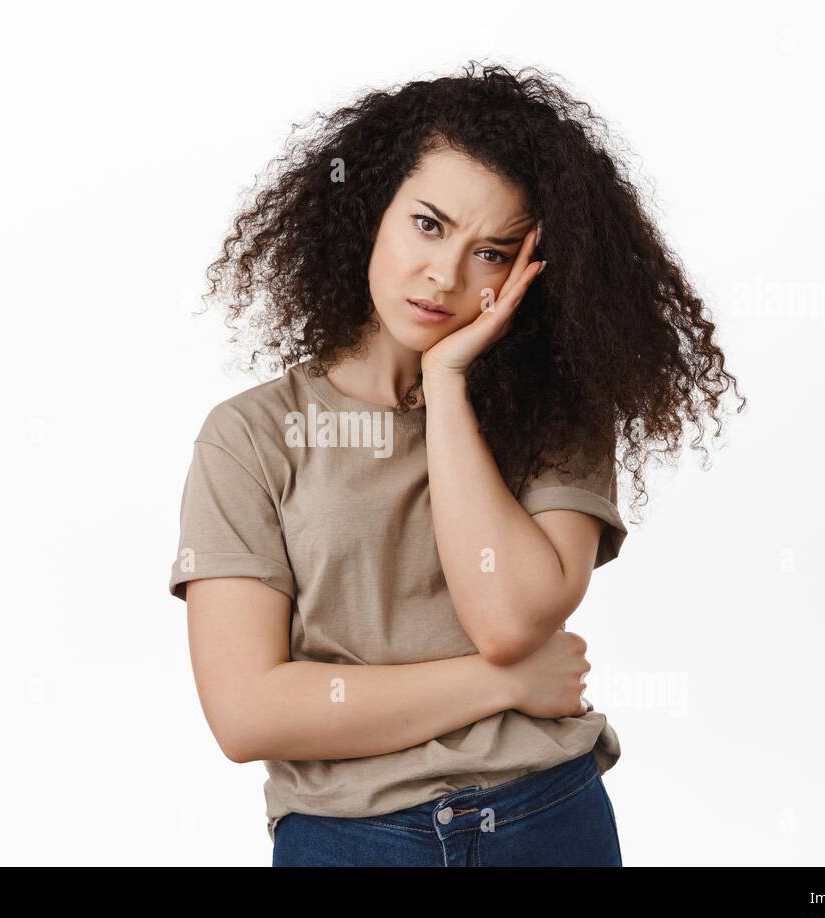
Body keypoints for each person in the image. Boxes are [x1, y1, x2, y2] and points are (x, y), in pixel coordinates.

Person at [167, 62, 745, 866]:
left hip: (547, 819)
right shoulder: (251, 437)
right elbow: (247, 712)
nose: (444, 277)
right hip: (349, 841)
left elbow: (510, 617)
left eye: (493, 253)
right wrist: (502, 686)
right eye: (430, 225)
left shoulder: (556, 413)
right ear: (372, 209)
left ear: (531, 274)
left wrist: (445, 385)